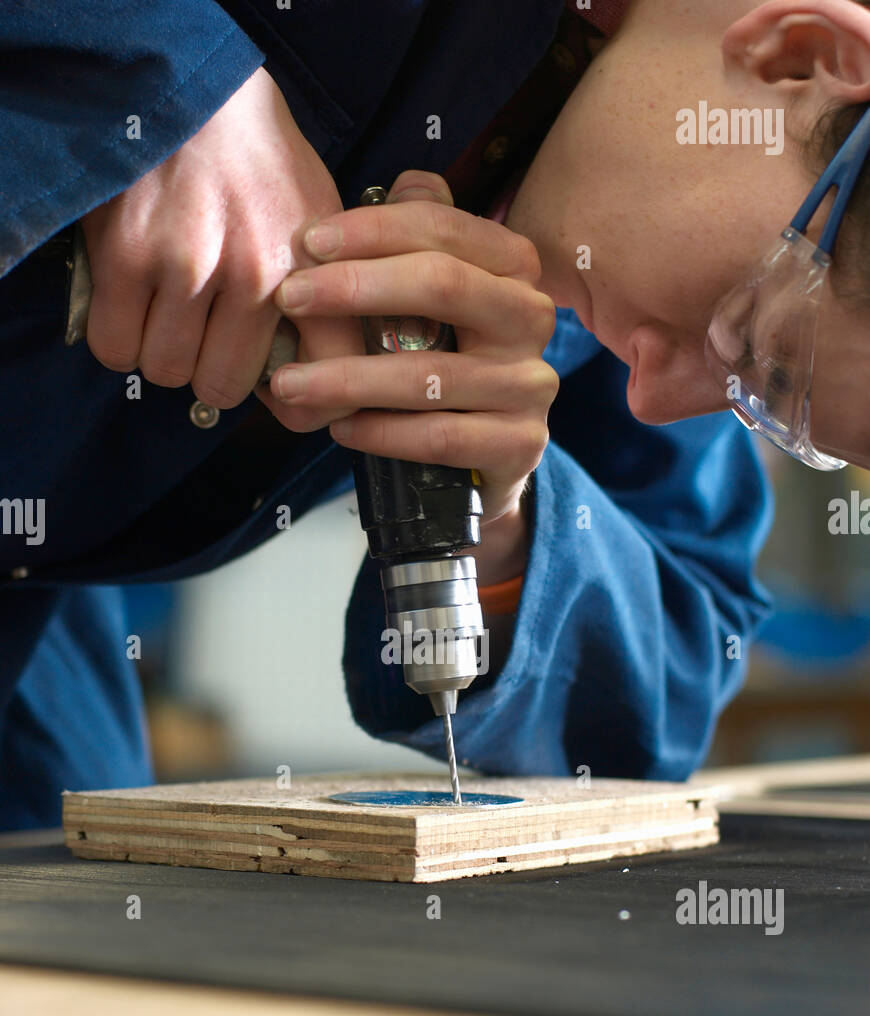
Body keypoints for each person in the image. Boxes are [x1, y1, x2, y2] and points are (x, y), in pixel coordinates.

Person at [3, 0, 866, 830]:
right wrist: (159, 71)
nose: (656, 400)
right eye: (752, 338)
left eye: (765, 407)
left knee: (76, 882)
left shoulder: (654, 200)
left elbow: (673, 671)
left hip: (35, 563)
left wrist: (504, 531)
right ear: (798, 59)